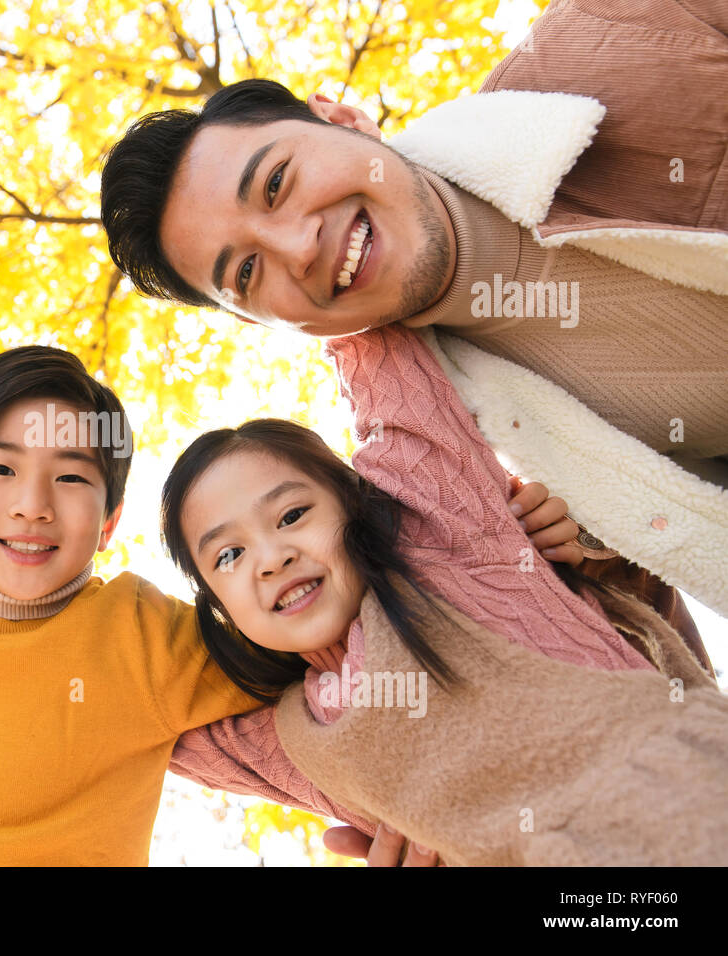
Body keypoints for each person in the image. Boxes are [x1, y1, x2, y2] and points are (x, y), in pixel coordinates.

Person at [0, 344, 582, 865]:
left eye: (72, 478)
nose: (33, 504)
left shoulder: (148, 637)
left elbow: (318, 631)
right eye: (0, 470)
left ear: (109, 523)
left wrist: (502, 550)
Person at [100, 0, 728, 621]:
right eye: (246, 271)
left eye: (276, 183)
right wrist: (604, 557)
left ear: (344, 119)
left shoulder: (619, 32)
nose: (298, 247)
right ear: (258, 324)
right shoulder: (462, 461)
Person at [163, 324, 728, 865]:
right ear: (220, 610)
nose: (271, 557)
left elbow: (372, 340)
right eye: (228, 556)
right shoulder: (294, 738)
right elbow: (124, 715)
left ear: (358, 506)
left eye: (292, 514)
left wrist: (270, 277)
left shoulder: (439, 539)